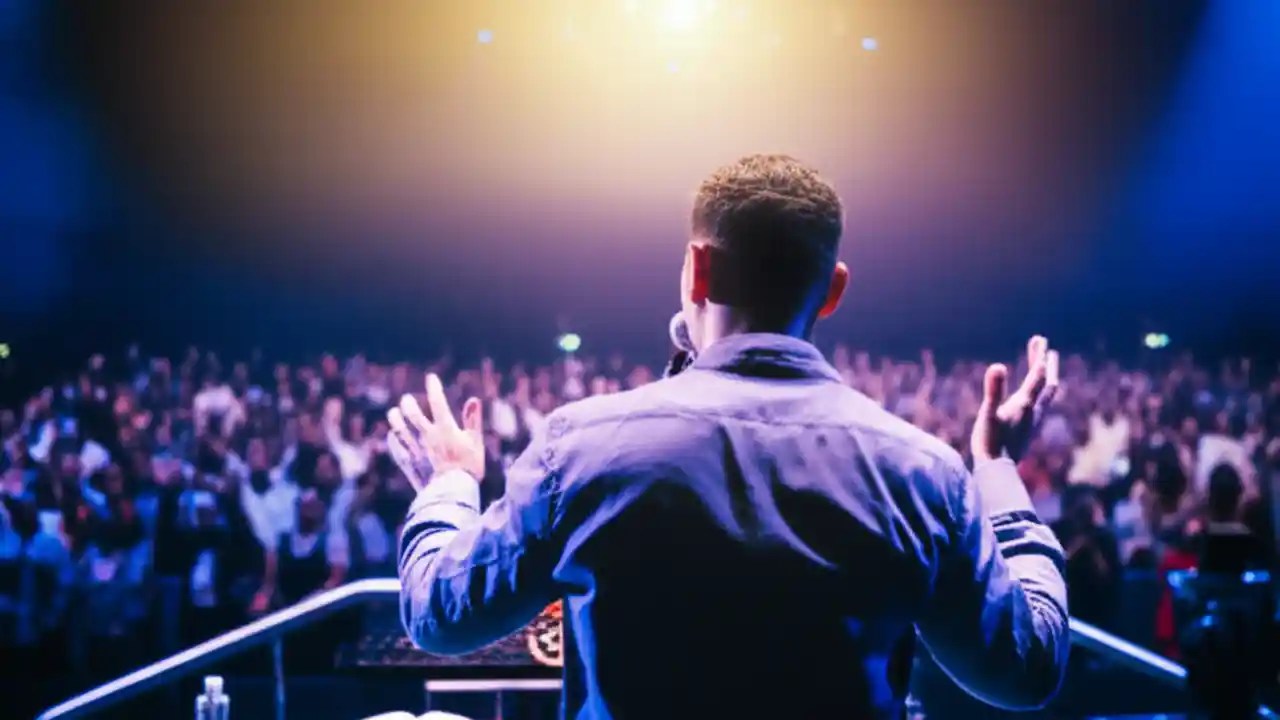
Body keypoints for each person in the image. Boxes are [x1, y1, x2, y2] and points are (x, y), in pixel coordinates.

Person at [390, 155, 1068, 719]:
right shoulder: (923, 471)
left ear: (696, 269)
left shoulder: (584, 444)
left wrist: (450, 480)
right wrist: (999, 468)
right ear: (833, 290)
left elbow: (441, 616)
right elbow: (1026, 670)